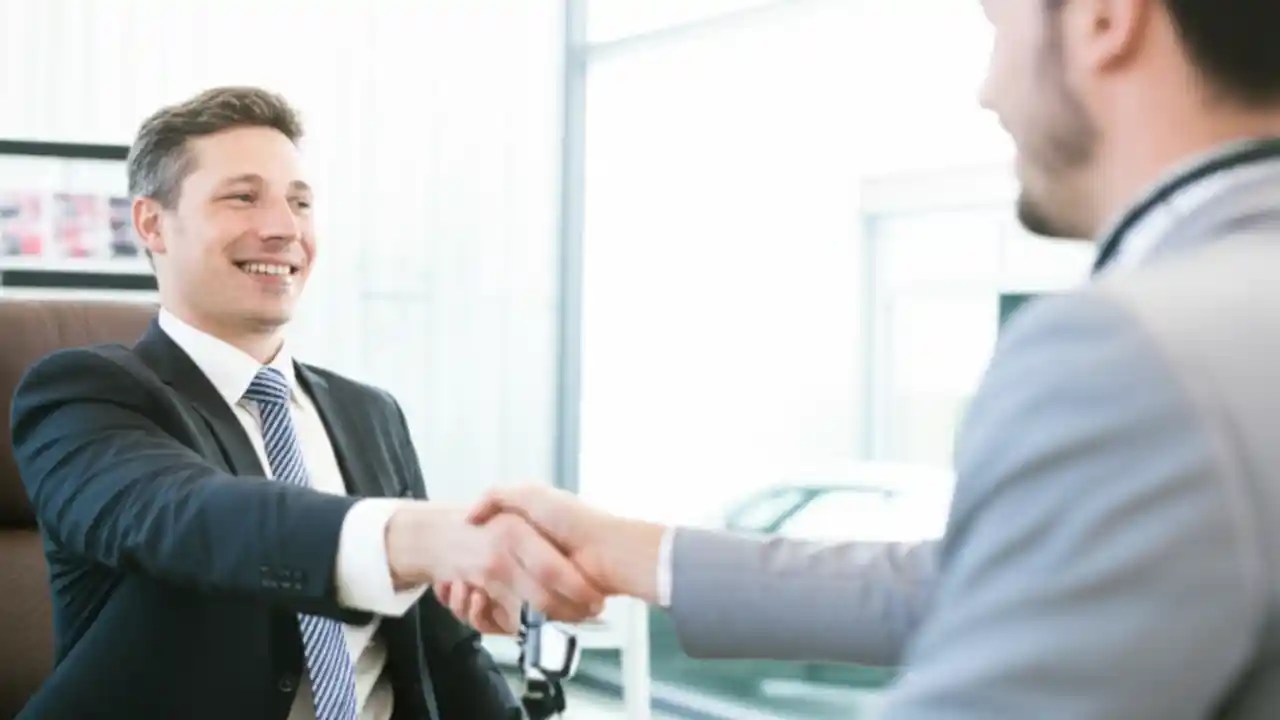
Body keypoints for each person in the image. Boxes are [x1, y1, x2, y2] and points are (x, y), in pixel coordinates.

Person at [444, 0, 1280, 716]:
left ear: (1106, 19)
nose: (987, 91)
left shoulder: (1126, 353)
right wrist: (628, 551)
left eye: (996, 22)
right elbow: (976, 584)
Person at [9, 86, 604, 720]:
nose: (284, 229)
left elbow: (442, 649)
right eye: (243, 197)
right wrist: (430, 537)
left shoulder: (369, 414)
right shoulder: (82, 395)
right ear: (152, 224)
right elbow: (192, 517)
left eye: (300, 203)